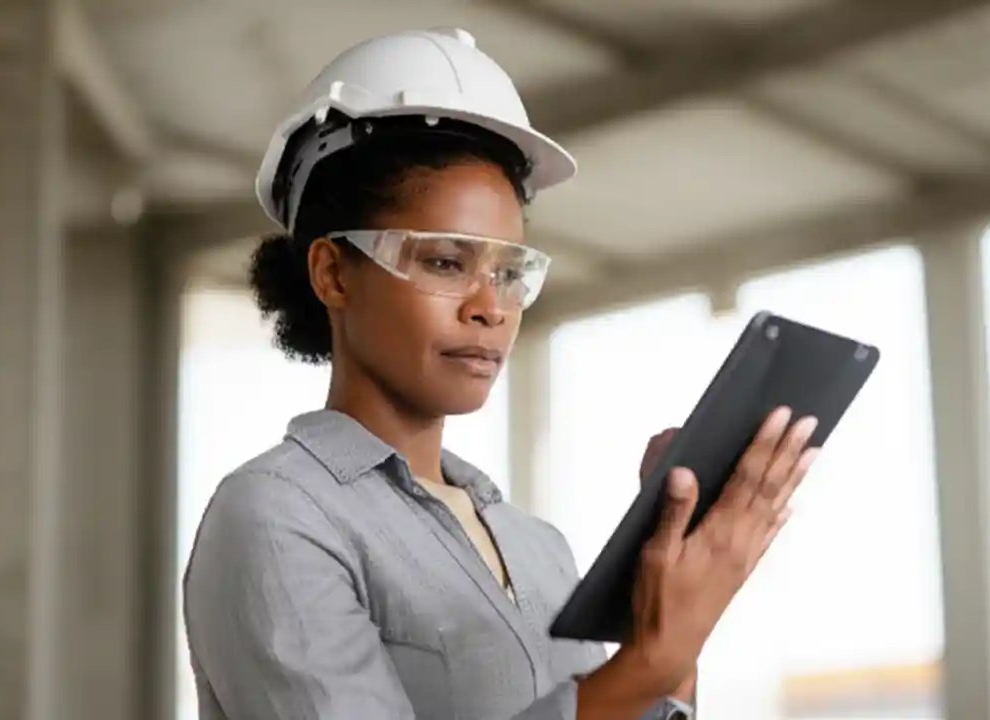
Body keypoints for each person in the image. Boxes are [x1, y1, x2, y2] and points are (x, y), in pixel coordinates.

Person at [183, 27, 819, 720]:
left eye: (510, 272)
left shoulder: (540, 550)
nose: (491, 307)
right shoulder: (277, 515)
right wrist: (650, 662)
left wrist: (669, 628)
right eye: (445, 262)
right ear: (334, 273)